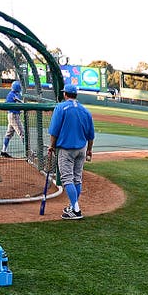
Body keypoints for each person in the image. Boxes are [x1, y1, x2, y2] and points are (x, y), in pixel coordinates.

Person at [47, 82, 96, 220]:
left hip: (66, 150)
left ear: (65, 94)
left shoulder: (61, 108)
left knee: (67, 179)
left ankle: (75, 209)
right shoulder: (85, 110)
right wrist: (89, 150)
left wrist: (52, 146)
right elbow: (91, 135)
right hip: (81, 149)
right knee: (77, 178)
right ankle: (73, 206)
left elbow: (54, 131)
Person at [1, 80, 25, 158]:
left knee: (9, 133)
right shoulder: (12, 95)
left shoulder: (11, 94)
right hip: (14, 116)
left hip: (11, 115)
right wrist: (24, 103)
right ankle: (29, 153)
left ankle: (3, 151)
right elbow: (19, 102)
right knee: (22, 134)